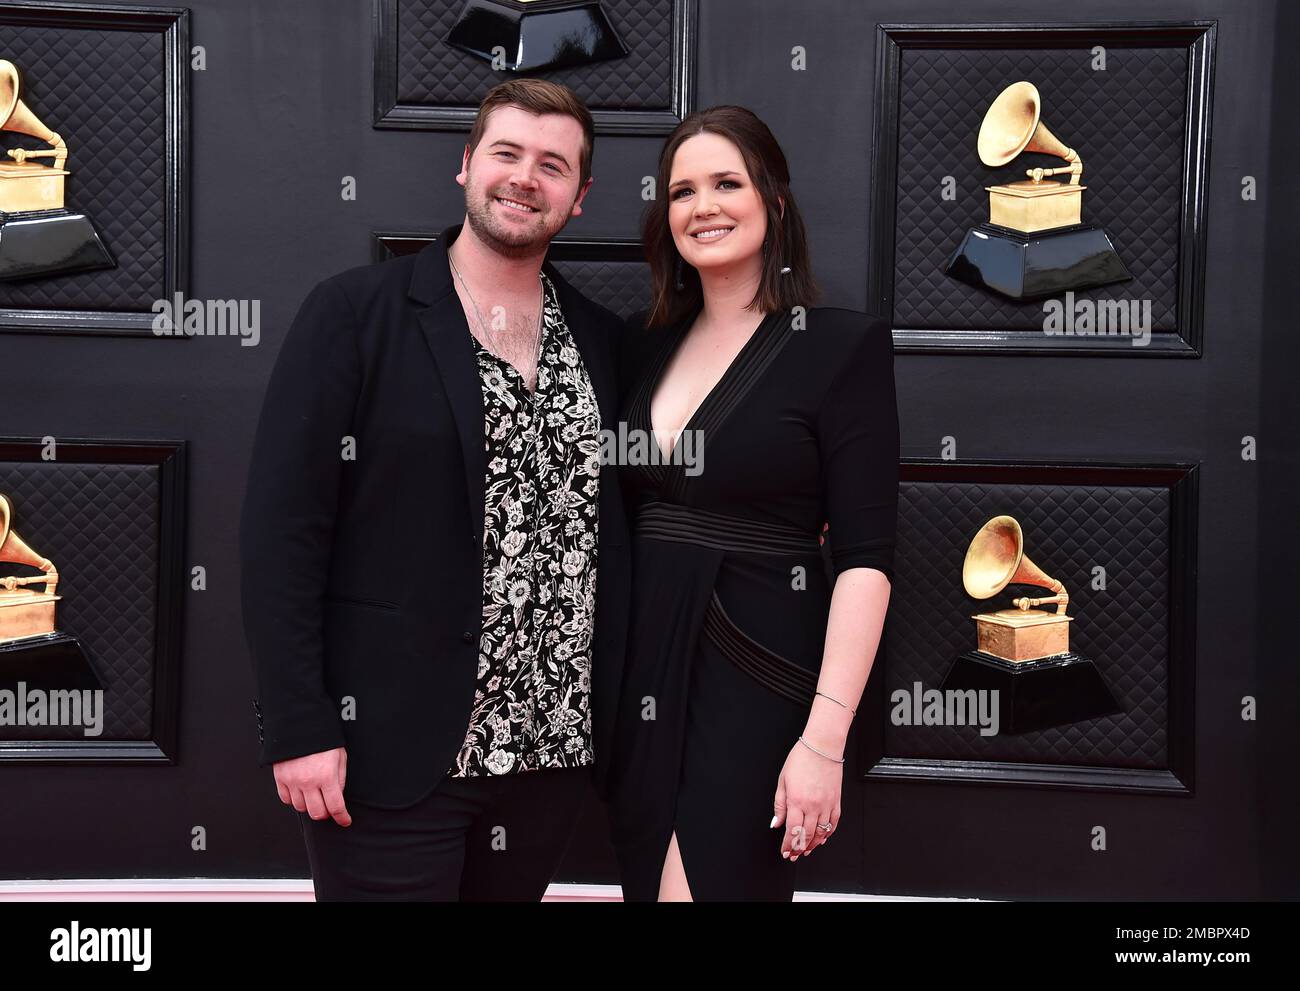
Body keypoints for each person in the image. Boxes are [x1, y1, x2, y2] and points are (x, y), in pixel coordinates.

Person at [239, 79, 630, 901]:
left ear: (580, 197)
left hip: (550, 756)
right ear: (466, 166)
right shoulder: (355, 312)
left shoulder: (603, 343)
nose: (526, 177)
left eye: (552, 165)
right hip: (388, 755)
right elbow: (282, 532)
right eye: (507, 153)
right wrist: (299, 724)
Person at [606, 106, 899, 901]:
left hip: (759, 668)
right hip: (641, 667)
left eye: (727, 182)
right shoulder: (640, 343)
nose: (704, 206)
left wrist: (825, 740)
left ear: (773, 200)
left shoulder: (843, 346)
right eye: (682, 191)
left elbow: (867, 562)